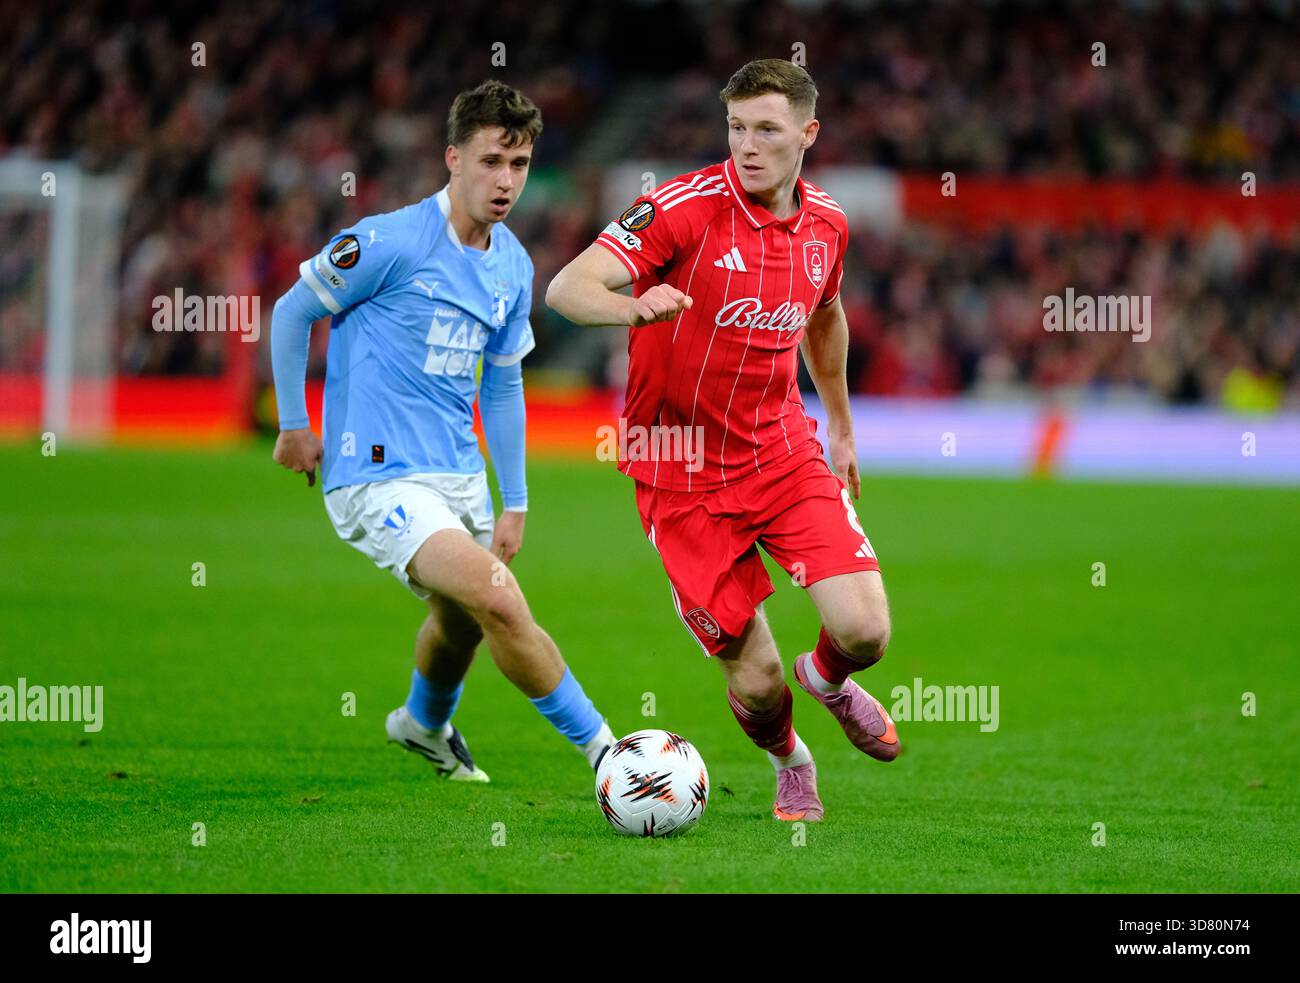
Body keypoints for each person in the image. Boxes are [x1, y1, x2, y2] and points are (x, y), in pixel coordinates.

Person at [546, 60, 899, 821]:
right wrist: (630, 310)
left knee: (866, 629)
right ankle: (791, 761)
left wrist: (839, 422)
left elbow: (825, 315)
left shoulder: (828, 224)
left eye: (767, 128)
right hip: (679, 472)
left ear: (808, 133)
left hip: (780, 448)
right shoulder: (680, 207)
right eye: (735, 127)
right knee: (759, 677)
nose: (747, 144)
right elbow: (567, 287)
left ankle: (830, 679)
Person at [271, 80, 615, 783]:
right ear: (453, 158)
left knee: (461, 621)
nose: (506, 181)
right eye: (492, 161)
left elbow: (504, 381)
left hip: (458, 473)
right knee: (495, 595)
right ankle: (611, 755)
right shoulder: (388, 240)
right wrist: (291, 425)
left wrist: (513, 497)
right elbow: (289, 311)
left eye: (519, 166)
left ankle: (423, 724)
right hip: (376, 472)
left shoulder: (514, 265)